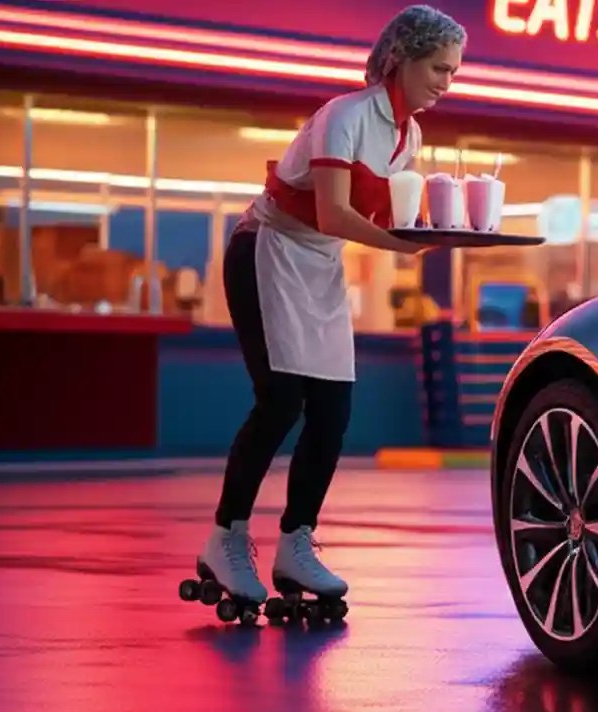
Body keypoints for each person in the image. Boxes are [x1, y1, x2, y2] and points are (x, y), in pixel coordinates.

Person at [196, 5, 467, 605]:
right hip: (266, 249)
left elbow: (373, 217)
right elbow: (332, 213)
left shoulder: (410, 134)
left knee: (333, 410)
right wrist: (402, 244)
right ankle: (226, 536)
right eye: (438, 68)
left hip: (318, 263)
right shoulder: (342, 115)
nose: (447, 82)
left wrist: (434, 231)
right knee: (280, 400)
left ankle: (297, 543)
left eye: (453, 72)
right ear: (401, 58)